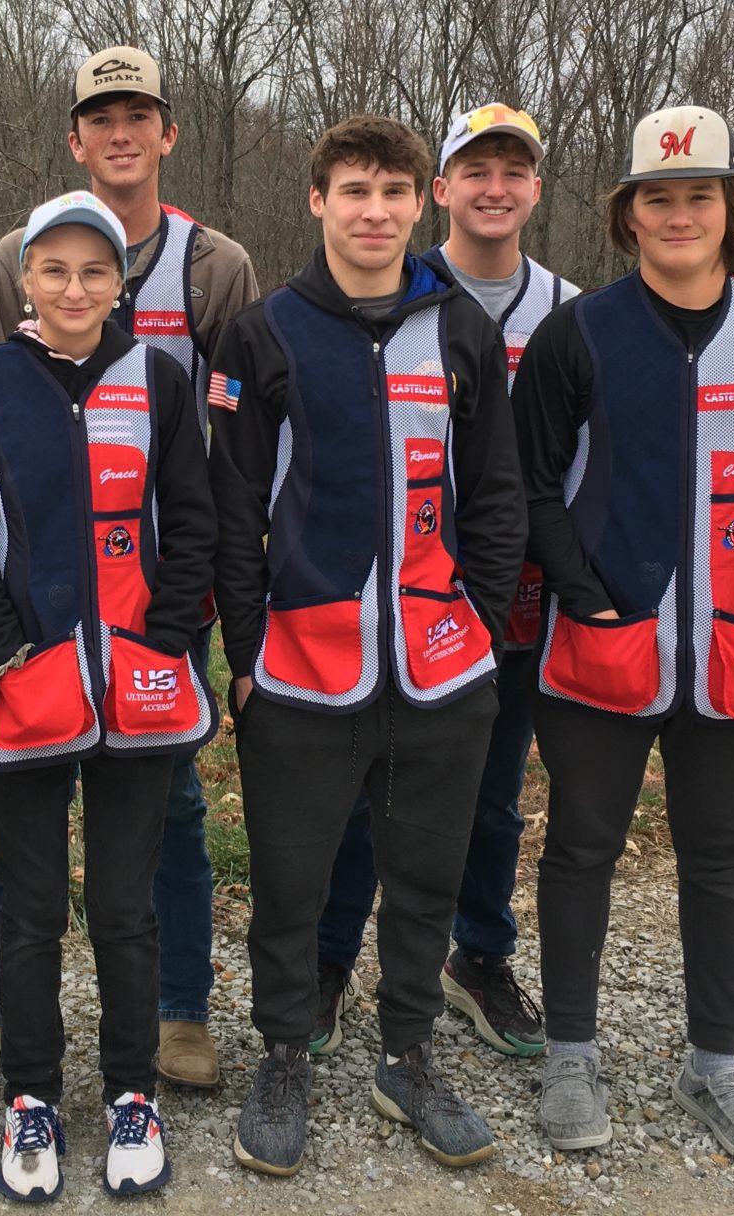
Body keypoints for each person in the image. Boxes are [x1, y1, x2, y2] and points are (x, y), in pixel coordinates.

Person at [515, 105, 734, 1173]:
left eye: (697, 195)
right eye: (656, 197)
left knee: (724, 858)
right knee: (579, 849)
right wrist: (584, 595)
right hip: (602, 644)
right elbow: (528, 486)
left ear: (729, 209)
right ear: (626, 215)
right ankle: (569, 1050)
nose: (677, 214)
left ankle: (716, 1060)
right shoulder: (579, 332)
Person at [0, 46, 257, 1096]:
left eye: (139, 114)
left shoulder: (214, 264)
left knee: (166, 823)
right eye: (99, 116)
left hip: (156, 589)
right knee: (20, 838)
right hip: (35, 598)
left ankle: (174, 1017)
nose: (120, 131)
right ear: (75, 136)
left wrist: (176, 620)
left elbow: (223, 442)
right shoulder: (7, 260)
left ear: (167, 132)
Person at [211, 115, 527, 1177]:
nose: (374, 211)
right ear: (317, 202)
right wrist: (246, 652)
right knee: (291, 879)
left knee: (424, 874)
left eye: (393, 192)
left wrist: (475, 619)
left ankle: (408, 1053)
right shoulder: (265, 332)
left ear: (418, 202)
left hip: (441, 667)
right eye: (354, 190)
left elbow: (496, 494)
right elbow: (230, 506)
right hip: (303, 668)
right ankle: (284, 1053)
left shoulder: (460, 329)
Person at [0, 192, 219, 1201]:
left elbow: (196, 520)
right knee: (30, 908)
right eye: (52, 269)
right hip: (26, 683)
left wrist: (167, 633)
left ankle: (129, 1092)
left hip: (136, 688)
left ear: (119, 283)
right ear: (25, 280)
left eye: (93, 271)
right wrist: (4, 647)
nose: (72, 288)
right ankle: (31, 1098)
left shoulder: (161, 381)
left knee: (123, 907)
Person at [310, 103, 575, 1060]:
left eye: (514, 171)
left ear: (536, 187)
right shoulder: (397, 291)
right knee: (354, 792)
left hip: (508, 603)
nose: (495, 188)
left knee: (492, 794)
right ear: (445, 191)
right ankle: (334, 960)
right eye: (476, 171)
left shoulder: (568, 309)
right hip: (382, 600)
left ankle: (479, 954)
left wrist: (503, 591)